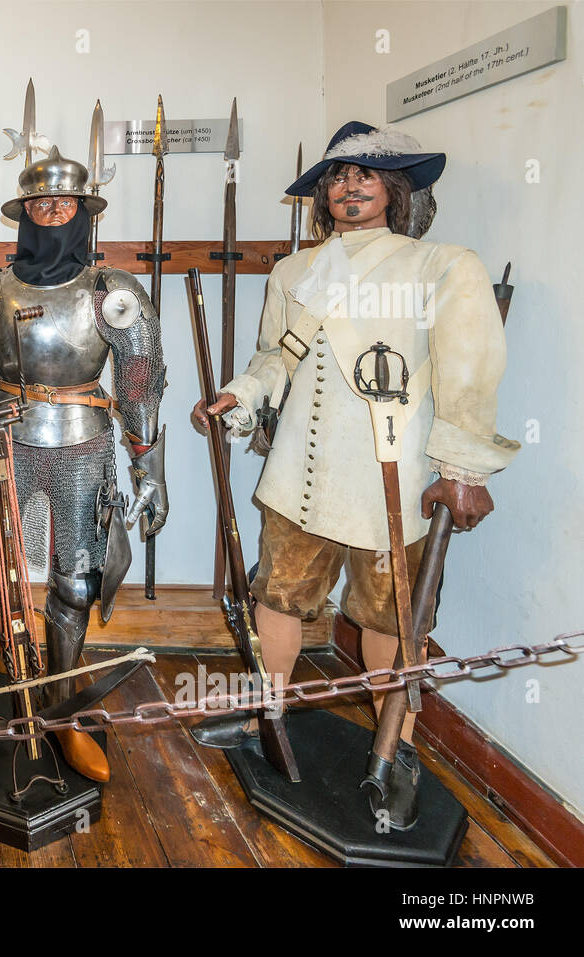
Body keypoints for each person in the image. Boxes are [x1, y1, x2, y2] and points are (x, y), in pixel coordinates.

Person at [191, 122, 518, 813]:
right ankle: (264, 720)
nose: (348, 186)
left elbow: (468, 370)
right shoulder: (293, 272)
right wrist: (241, 397)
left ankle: (394, 750)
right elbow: (275, 359)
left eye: (365, 174)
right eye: (337, 176)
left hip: (388, 480)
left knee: (387, 624)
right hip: (300, 474)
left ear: (395, 189)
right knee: (274, 600)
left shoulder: (440, 266)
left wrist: (462, 465)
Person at [0, 147, 167, 789]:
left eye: (62, 204)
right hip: (4, 438)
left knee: (73, 583)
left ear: (82, 211)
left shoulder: (112, 293)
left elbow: (142, 386)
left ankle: (64, 714)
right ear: (25, 212)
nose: (51, 212)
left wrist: (151, 469)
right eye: (40, 204)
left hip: (83, 440)